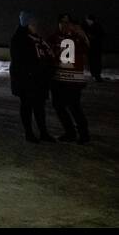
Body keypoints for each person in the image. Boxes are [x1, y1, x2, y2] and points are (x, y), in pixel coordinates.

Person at [10, 11, 56, 142]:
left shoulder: (36, 38)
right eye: (33, 23)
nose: (36, 26)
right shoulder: (19, 39)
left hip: (38, 80)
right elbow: (20, 62)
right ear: (26, 24)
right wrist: (32, 73)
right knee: (27, 106)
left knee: (39, 107)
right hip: (27, 81)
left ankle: (43, 132)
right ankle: (29, 133)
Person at [49, 14, 90, 143]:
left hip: (73, 80)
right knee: (58, 106)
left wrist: (82, 34)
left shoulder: (77, 37)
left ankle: (83, 134)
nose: (64, 24)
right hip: (58, 79)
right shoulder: (54, 37)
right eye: (62, 22)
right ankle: (70, 132)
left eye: (67, 22)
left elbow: (87, 49)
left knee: (74, 107)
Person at [82, 14, 104, 82]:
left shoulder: (97, 27)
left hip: (96, 48)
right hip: (91, 48)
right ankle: (94, 74)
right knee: (92, 61)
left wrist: (92, 37)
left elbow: (101, 36)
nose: (87, 21)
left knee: (96, 61)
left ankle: (97, 75)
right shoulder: (87, 27)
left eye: (88, 20)